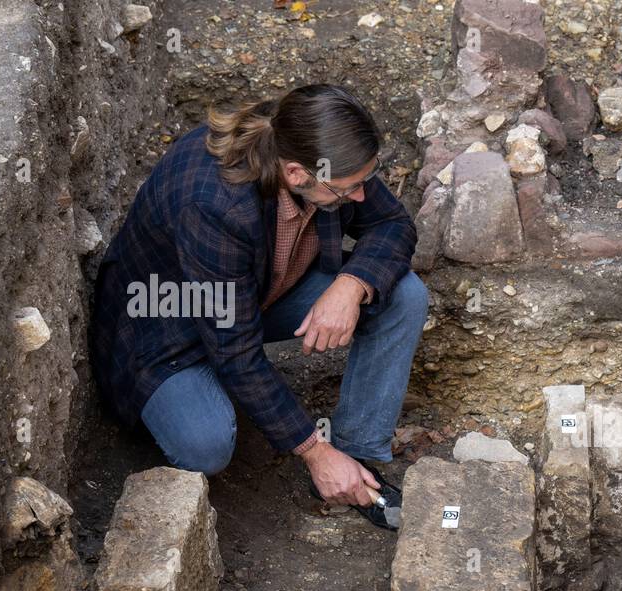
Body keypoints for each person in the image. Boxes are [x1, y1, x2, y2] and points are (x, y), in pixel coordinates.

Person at [91, 84, 427, 529]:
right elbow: (235, 351)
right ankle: (320, 458)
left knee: (403, 294)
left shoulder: (320, 154)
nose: (362, 196)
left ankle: (357, 460)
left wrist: (351, 283)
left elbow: (392, 222)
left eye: (364, 181)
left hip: (256, 291)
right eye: (350, 189)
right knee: (205, 445)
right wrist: (314, 451)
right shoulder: (215, 206)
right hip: (168, 330)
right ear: (294, 174)